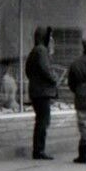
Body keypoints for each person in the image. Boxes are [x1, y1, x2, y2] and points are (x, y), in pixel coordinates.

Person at [24, 26, 60, 160]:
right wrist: (54, 79)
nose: (50, 40)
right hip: (42, 92)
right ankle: (39, 150)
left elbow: (27, 71)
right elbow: (46, 69)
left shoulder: (34, 51)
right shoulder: (41, 50)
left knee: (41, 120)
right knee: (43, 121)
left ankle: (38, 149)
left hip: (36, 90)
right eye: (48, 37)